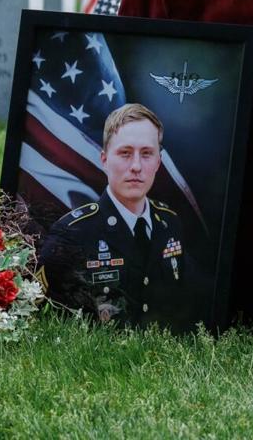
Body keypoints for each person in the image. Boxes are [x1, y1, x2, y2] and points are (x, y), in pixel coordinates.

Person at [39, 104, 197, 330]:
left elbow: (185, 302)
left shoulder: (169, 223)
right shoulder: (72, 233)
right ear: (104, 160)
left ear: (158, 162)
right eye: (125, 153)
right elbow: (47, 320)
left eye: (146, 153)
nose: (136, 166)